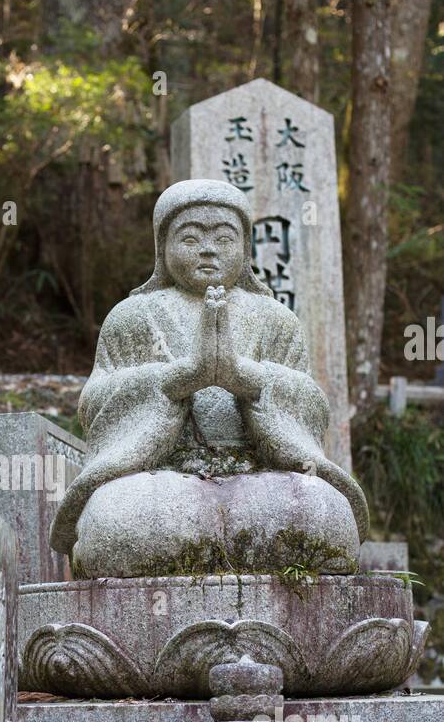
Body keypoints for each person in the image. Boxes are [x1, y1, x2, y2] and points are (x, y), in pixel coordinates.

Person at [49, 179, 368, 578]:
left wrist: (247, 378)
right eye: (190, 237)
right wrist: (176, 379)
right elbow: (95, 404)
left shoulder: (277, 320)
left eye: (224, 237)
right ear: (162, 248)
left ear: (246, 248)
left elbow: (311, 405)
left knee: (325, 516)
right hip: (164, 483)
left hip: (258, 479)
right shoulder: (132, 316)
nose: (208, 248)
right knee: (113, 523)